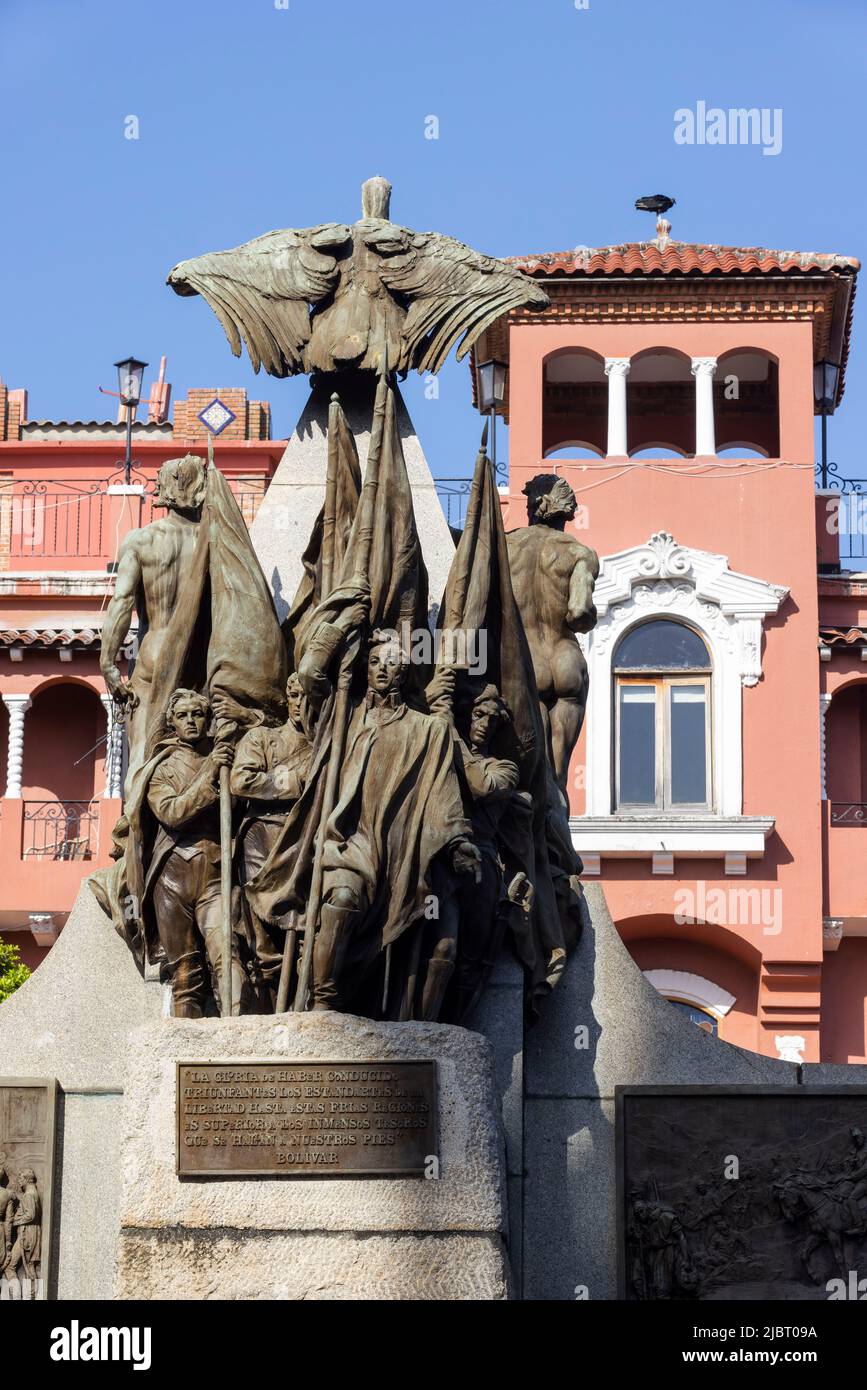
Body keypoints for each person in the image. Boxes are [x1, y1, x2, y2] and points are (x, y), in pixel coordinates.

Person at [311, 629, 480, 1015]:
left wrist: (457, 841)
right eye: (374, 663)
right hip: (348, 841)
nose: (382, 671)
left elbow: (443, 793)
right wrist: (340, 630)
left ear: (404, 673)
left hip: (400, 852)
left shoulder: (427, 730)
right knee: (341, 900)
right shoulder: (342, 719)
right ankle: (323, 1006)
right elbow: (310, 677)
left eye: (392, 664)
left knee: (423, 925)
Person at [100, 454, 208, 795]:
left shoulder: (141, 540)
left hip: (154, 651)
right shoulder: (214, 542)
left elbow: (121, 603)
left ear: (163, 490)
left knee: (145, 750)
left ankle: (132, 826)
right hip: (201, 654)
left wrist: (107, 662)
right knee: (198, 748)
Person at [142, 688, 245, 1017]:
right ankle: (184, 1049)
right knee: (185, 975)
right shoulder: (162, 769)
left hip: (215, 873)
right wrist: (209, 774)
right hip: (171, 880)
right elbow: (172, 812)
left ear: (208, 718)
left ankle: (241, 1038)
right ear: (172, 722)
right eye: (183, 715)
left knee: (226, 954)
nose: (190, 720)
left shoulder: (227, 758)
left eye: (197, 714)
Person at [505, 474, 598, 796]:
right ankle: (558, 841)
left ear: (531, 506)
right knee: (556, 781)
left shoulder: (503, 546)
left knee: (525, 775)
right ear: (566, 514)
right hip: (565, 661)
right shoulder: (579, 552)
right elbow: (579, 613)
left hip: (524, 666)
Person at [230, 673, 314, 1000]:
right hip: (262, 836)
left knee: (306, 926)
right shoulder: (263, 739)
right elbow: (242, 780)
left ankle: (300, 999)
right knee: (262, 921)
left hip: (304, 839)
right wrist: (293, 781)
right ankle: (266, 995)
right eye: (294, 696)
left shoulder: (327, 749)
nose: (299, 704)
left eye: (307, 697)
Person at [6, 1169, 41, 1297]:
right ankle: (31, 1296)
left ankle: (22, 1296)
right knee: (30, 1266)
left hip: (26, 1232)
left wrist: (15, 1220)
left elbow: (30, 1215)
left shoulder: (28, 1194)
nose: (19, 1182)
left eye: (21, 1179)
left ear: (26, 1179)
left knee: (12, 1266)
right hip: (31, 1231)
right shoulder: (33, 1192)